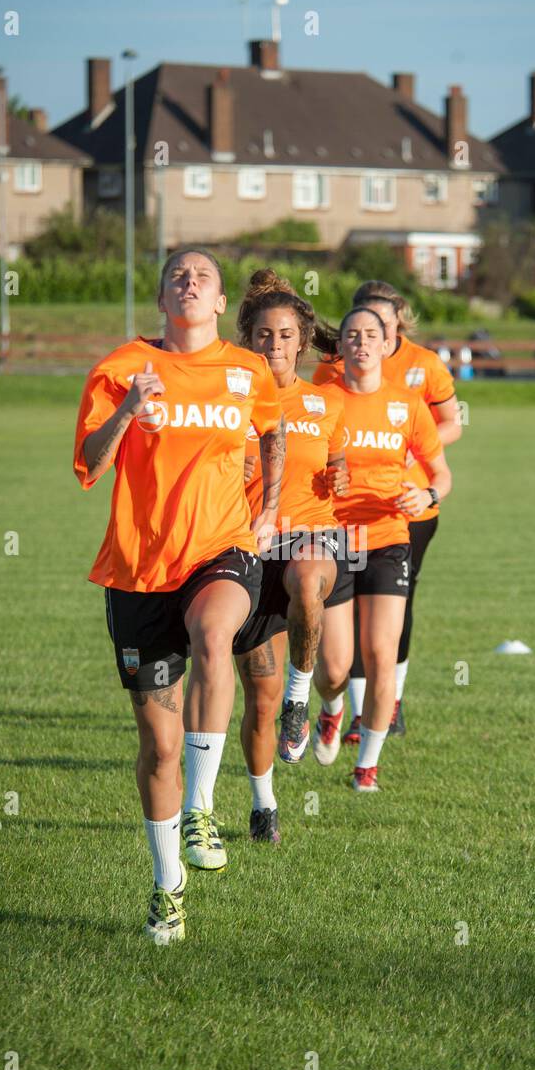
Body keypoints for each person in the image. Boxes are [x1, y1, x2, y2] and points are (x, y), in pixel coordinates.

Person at [73, 248, 284, 943]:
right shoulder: (119, 367)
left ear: (221, 302)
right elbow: (88, 463)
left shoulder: (247, 369)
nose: (188, 283)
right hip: (136, 570)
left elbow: (274, 434)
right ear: (161, 298)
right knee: (157, 748)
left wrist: (270, 510)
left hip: (221, 550)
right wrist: (131, 408)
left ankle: (200, 805)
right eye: (175, 276)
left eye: (201, 277)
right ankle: (167, 886)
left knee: (213, 632)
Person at [313, 281, 462, 743]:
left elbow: (447, 432)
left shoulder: (421, 372)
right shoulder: (329, 381)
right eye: (356, 330)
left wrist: (420, 473)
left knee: (393, 613)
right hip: (335, 525)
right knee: (343, 626)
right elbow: (313, 441)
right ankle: (344, 706)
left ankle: (383, 709)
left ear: (395, 325)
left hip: (404, 513)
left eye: (380, 326)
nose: (366, 339)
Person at [232, 270, 348, 843]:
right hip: (249, 547)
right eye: (262, 335)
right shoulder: (231, 402)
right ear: (247, 339)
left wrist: (341, 471)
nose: (273, 345)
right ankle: (263, 805)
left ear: (302, 342)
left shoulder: (324, 403)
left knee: (308, 578)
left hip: (313, 534)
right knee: (259, 698)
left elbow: (337, 462)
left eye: (284, 335)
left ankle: (301, 705)